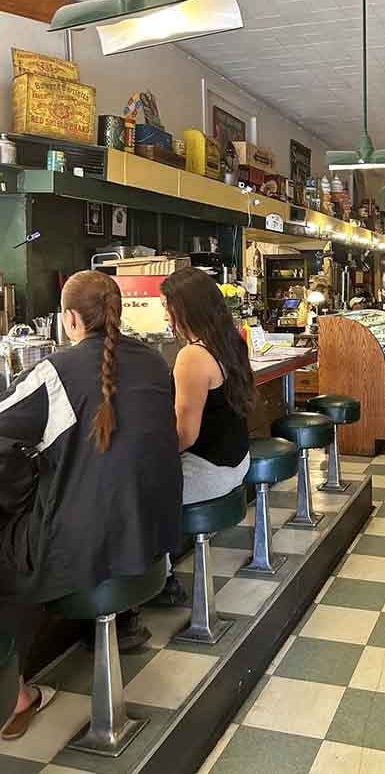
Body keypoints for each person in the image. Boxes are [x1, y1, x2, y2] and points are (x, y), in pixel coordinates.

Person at [0, 270, 182, 740]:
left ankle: (15, 692)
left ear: (68, 319)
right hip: (149, 543)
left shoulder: (55, 373)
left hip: (85, 555)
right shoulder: (157, 361)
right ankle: (117, 624)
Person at [160, 268, 255, 506]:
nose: (164, 317)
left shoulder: (192, 356)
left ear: (185, 309)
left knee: (125, 495)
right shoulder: (230, 342)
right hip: (238, 461)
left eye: (165, 307)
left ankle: (165, 545)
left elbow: (185, 436)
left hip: (208, 472)